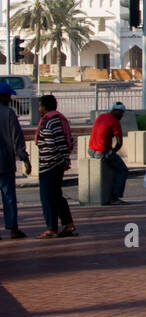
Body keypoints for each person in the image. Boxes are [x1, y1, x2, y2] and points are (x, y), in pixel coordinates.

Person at [35, 94, 76, 238]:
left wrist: (54, 159)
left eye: (40, 105)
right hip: (57, 164)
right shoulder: (59, 119)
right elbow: (68, 140)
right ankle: (68, 224)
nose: (38, 108)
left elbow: (53, 143)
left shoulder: (50, 121)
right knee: (57, 195)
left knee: (47, 197)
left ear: (45, 107)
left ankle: (51, 228)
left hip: (49, 165)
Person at [0, 81, 30, 238]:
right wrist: (24, 158)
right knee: (9, 196)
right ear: (3, 96)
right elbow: (16, 138)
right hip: (5, 163)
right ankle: (13, 228)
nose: (10, 98)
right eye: (9, 96)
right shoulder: (9, 114)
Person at [88, 101, 129, 203]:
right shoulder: (115, 122)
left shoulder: (102, 116)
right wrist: (113, 152)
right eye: (120, 112)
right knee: (123, 170)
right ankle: (114, 197)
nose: (122, 115)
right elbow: (119, 143)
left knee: (113, 163)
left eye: (123, 112)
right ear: (114, 111)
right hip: (101, 152)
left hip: (91, 150)